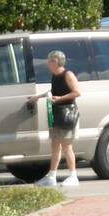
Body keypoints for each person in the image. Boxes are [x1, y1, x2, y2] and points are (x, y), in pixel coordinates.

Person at [35, 50, 82, 188]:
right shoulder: (55, 76)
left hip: (67, 114)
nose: (47, 64)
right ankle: (52, 176)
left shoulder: (68, 75)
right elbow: (52, 92)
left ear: (54, 62)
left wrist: (60, 99)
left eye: (48, 61)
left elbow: (77, 92)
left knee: (67, 146)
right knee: (55, 145)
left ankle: (73, 176)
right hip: (57, 114)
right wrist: (37, 98)